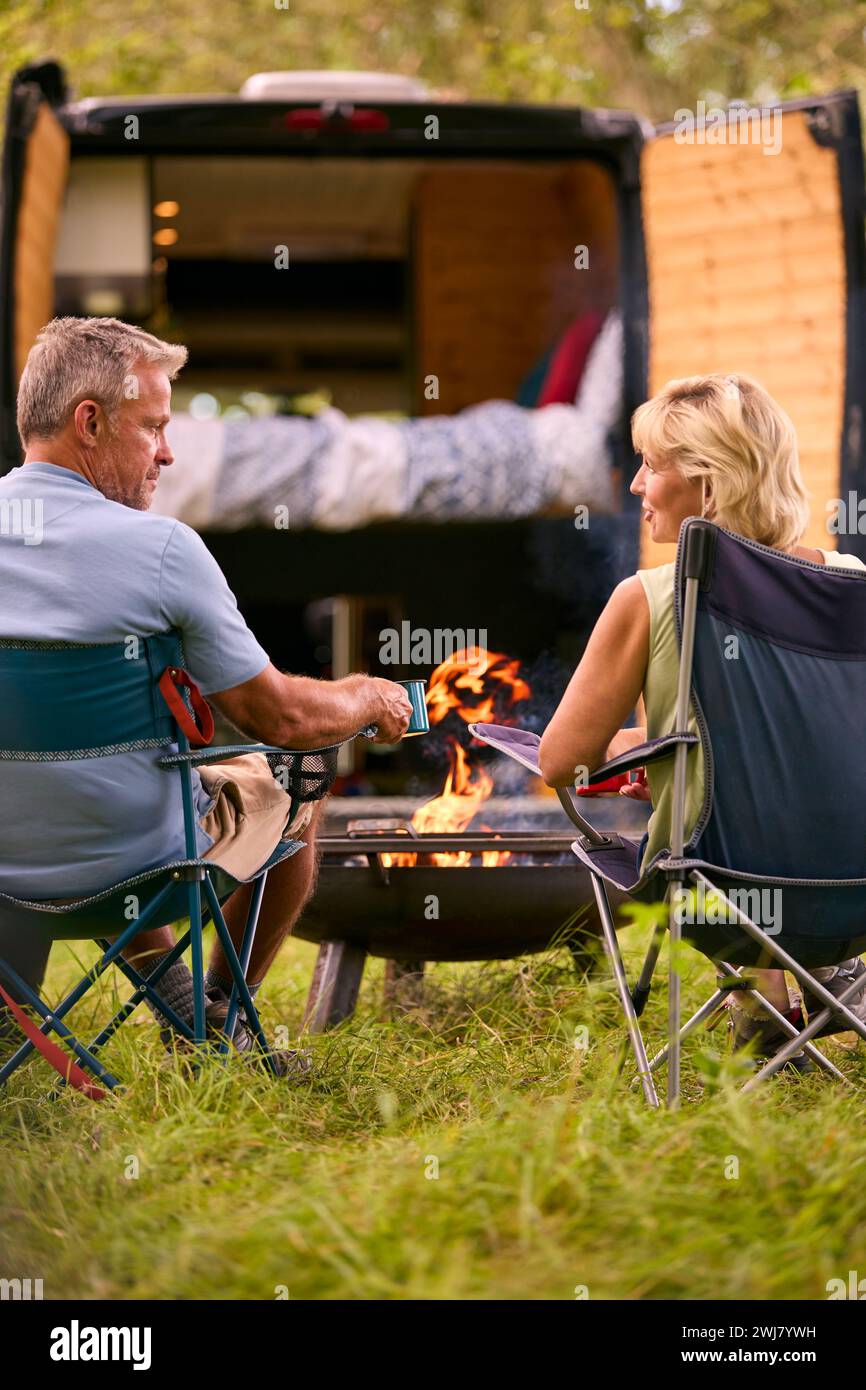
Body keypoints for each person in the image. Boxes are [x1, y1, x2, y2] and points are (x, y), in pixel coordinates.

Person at [0, 317, 412, 1074]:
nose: (167, 450)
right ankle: (219, 1026)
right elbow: (281, 717)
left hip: (8, 869)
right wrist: (363, 695)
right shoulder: (162, 549)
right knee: (294, 780)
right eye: (153, 426)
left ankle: (165, 1005)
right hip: (136, 861)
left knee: (90, 785)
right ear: (89, 421)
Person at [539, 373, 866, 1068]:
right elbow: (811, 743)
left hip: (717, 893)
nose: (634, 486)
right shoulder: (851, 581)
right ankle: (779, 1014)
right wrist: (668, 759)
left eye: (651, 467)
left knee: (716, 847)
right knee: (747, 820)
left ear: (709, 486)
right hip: (854, 900)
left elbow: (559, 763)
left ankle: (771, 1009)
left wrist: (651, 763)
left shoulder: (648, 598)